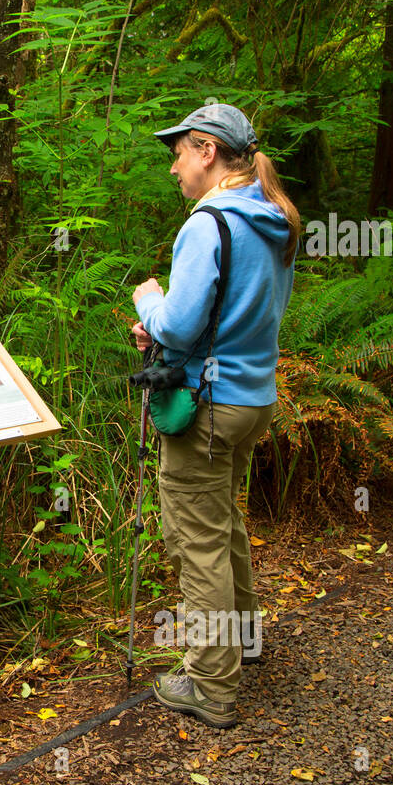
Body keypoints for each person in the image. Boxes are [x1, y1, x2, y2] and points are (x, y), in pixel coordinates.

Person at [130, 103, 300, 728]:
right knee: (223, 520)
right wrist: (174, 335)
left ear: (206, 150)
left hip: (206, 407)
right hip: (252, 401)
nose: (174, 167)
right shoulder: (273, 219)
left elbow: (177, 320)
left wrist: (151, 305)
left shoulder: (208, 223)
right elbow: (235, 319)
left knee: (197, 541)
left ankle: (209, 683)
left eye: (178, 153)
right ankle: (243, 640)